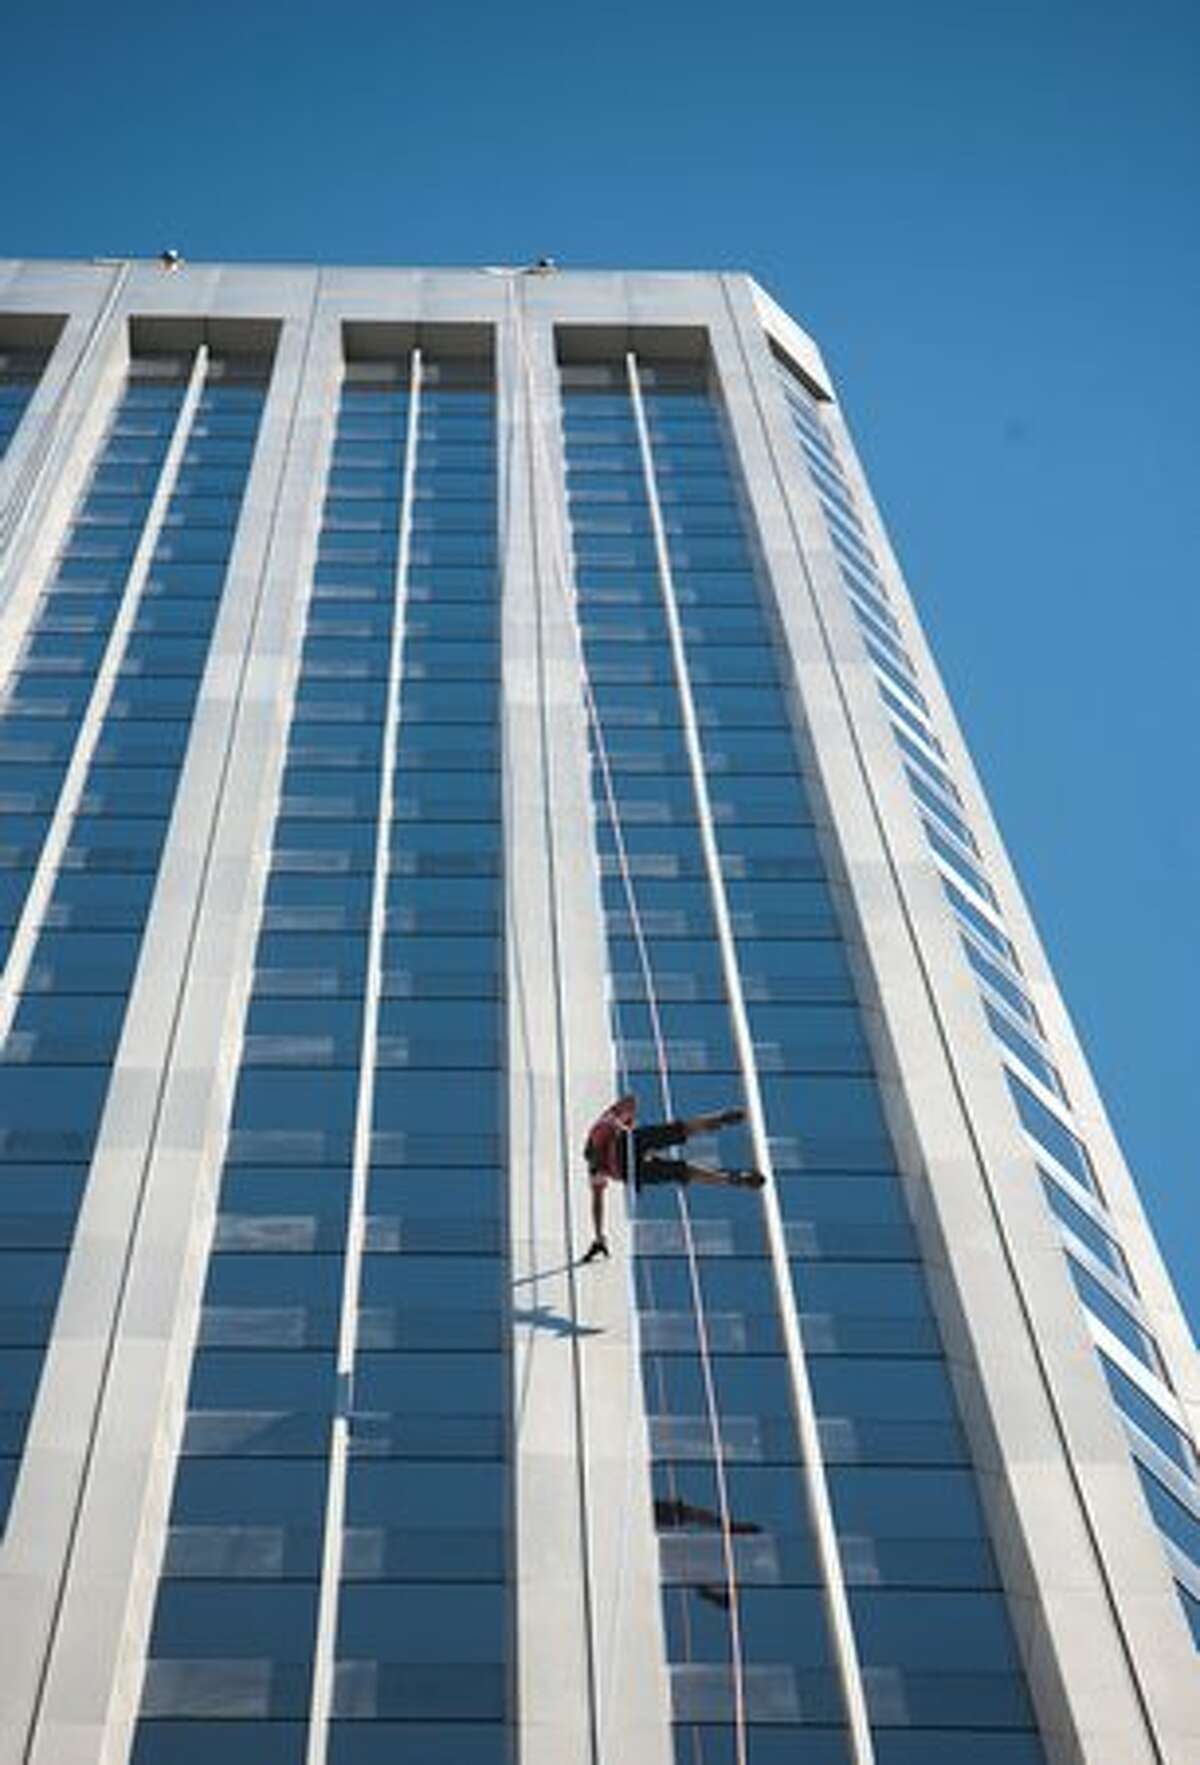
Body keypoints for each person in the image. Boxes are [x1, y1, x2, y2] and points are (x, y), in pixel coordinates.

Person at [581, 1093, 765, 1262]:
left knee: (682, 1156)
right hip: (631, 1157)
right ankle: (730, 1171)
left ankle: (723, 1138)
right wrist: (599, 1236)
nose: (597, 1161)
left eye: (596, 1158)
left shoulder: (598, 1135)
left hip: (629, 1151)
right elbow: (597, 1203)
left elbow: (630, 1101)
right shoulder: (596, 1158)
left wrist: (623, 1124)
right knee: (681, 1148)